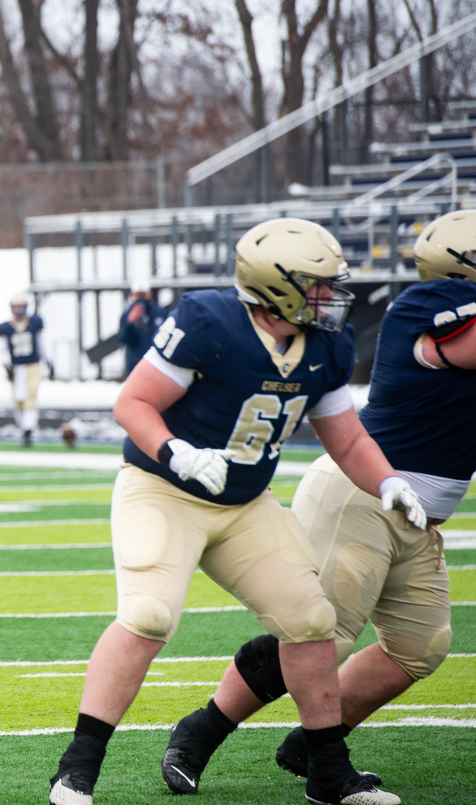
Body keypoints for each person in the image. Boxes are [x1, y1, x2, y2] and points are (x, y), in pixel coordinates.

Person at [47, 219, 421, 805]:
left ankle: (328, 772)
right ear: (280, 287)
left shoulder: (325, 344)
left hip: (245, 503)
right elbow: (134, 402)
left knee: (310, 618)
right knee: (147, 615)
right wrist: (178, 451)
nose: (331, 297)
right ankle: (78, 768)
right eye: (319, 285)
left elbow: (345, 438)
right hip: (162, 489)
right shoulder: (209, 322)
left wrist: (388, 481)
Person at [159, 211, 474, 797]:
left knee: (419, 646)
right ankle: (201, 732)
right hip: (361, 495)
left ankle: (309, 744)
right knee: (318, 636)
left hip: (416, 513)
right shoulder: (425, 306)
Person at [0, 293, 45, 447]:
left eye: (21, 306)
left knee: (31, 398)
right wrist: (6, 365)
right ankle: (24, 428)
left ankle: (28, 431)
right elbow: (3, 349)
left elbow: (41, 343)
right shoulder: (6, 327)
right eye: (16, 307)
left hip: (32, 365)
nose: (19, 310)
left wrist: (48, 361)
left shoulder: (34, 324)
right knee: (18, 401)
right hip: (16, 367)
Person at [117, 280, 167, 380]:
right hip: (135, 365)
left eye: (143, 295)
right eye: (138, 295)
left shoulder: (160, 314)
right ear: (132, 295)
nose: (141, 299)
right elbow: (123, 339)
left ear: (150, 294)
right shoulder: (127, 315)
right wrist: (130, 322)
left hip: (157, 366)